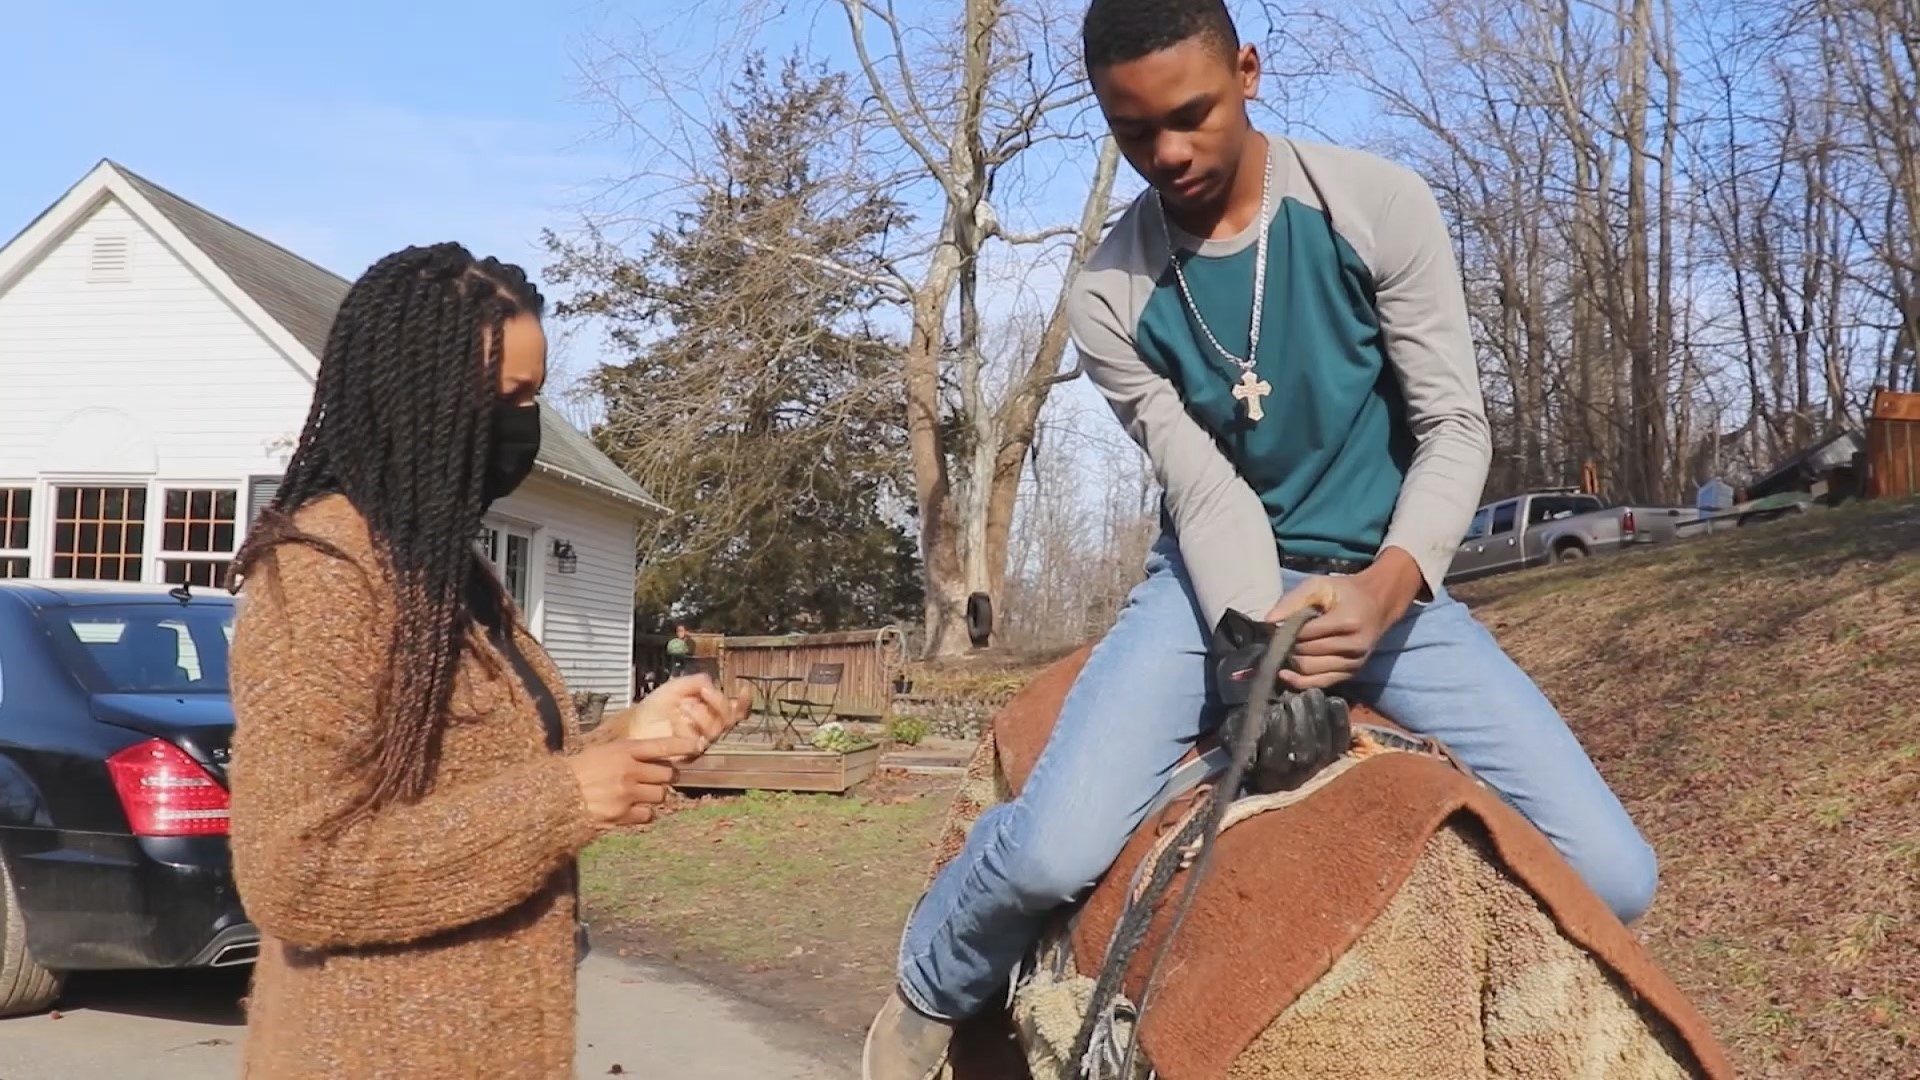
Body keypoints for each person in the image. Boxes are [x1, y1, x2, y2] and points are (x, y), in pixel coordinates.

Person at [860, 2, 1660, 1076]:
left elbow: (1455, 428)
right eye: (1133, 131)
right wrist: (1252, 645)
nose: (1168, 153)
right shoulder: (1108, 294)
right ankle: (933, 976)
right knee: (1052, 849)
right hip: (1207, 587)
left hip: (1388, 585)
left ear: (1247, 70)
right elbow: (1206, 489)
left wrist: (1384, 590)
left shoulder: (1376, 205)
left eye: (1191, 114)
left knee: (1616, 876)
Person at [225, 242, 743, 1079]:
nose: (526, 426)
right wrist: (567, 798)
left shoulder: (446, 567)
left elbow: (471, 781)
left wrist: (624, 738)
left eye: (534, 397)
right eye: (509, 397)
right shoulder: (325, 573)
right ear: (419, 397)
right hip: (368, 1053)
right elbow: (295, 874)